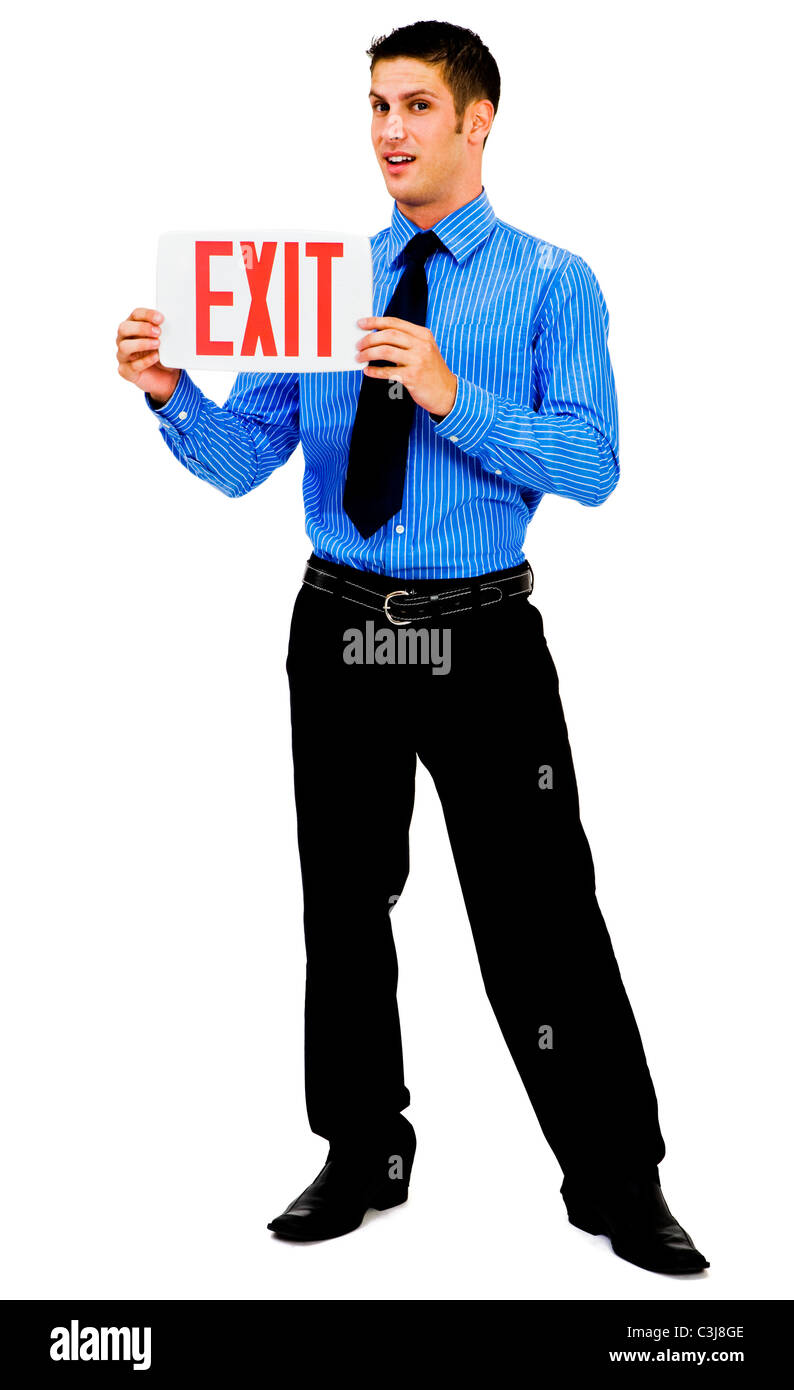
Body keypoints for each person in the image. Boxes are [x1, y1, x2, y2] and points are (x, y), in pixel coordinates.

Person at [116, 19, 708, 1275]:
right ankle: (361, 1151)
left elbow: (594, 465)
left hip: (481, 642)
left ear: (476, 120)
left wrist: (451, 392)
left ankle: (616, 1178)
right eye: (375, 105)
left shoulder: (552, 281)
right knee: (343, 904)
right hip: (338, 630)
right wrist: (171, 394)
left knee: (540, 912)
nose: (388, 130)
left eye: (416, 106)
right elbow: (241, 465)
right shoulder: (316, 280)